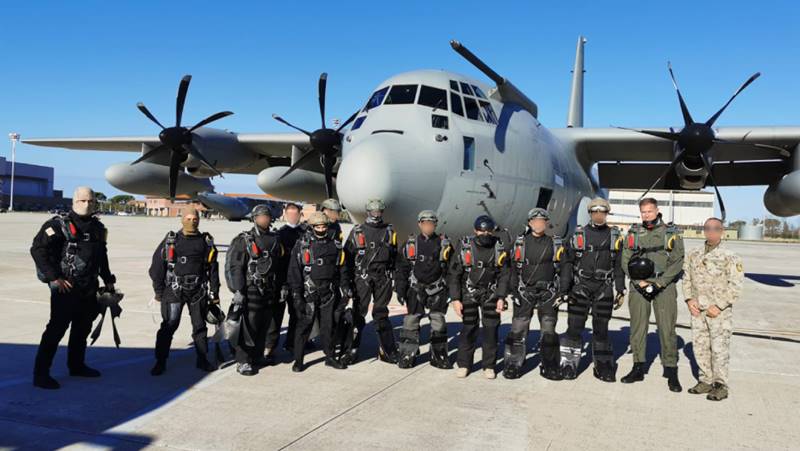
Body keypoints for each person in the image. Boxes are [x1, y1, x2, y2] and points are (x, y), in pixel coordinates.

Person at [30, 187, 116, 389]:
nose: (87, 205)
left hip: (89, 287)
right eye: (82, 201)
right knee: (56, 329)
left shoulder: (97, 228)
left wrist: (108, 279)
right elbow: (38, 249)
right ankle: (41, 374)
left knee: (82, 328)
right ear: (74, 202)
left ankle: (76, 365)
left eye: (90, 201)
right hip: (66, 288)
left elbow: (101, 256)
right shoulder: (57, 225)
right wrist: (55, 277)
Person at [620, 197, 685, 392]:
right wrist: (636, 282)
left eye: (650, 211)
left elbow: (678, 261)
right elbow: (625, 259)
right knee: (638, 327)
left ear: (657, 211)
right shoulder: (633, 233)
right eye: (643, 212)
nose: (647, 215)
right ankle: (638, 367)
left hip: (663, 286)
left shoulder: (670, 233)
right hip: (638, 285)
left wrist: (660, 283)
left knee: (667, 329)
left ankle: (671, 370)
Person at [558, 198, 625, 382]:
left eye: (602, 212)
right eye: (594, 212)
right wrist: (564, 289)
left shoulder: (615, 236)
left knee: (601, 329)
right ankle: (569, 363)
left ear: (606, 213)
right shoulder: (578, 235)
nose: (598, 215)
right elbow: (567, 263)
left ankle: (602, 365)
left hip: (604, 288)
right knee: (574, 326)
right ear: (590, 214)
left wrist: (620, 289)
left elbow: (619, 265)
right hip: (580, 287)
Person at [149, 207, 220, 376]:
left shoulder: (206, 242)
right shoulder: (171, 240)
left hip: (198, 292)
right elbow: (156, 268)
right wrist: (159, 292)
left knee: (200, 327)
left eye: (194, 219)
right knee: (169, 325)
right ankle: (160, 361)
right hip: (174, 291)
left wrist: (214, 292)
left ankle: (202, 359)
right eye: (188, 218)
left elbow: (213, 269)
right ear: (182, 219)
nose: (192, 221)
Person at [682, 217, 744, 401]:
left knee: (719, 349)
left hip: (719, 313)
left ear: (722, 231)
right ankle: (705, 380)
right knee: (700, 347)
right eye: (707, 228)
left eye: (715, 228)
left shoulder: (730, 256)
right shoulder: (694, 253)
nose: (711, 232)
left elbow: (736, 286)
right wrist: (688, 299)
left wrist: (719, 305)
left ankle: (720, 385)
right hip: (697, 310)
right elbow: (687, 278)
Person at [504, 208, 564, 380]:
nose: (538, 224)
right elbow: (511, 269)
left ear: (546, 223)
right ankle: (513, 364)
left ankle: (549, 365)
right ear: (529, 223)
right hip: (524, 292)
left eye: (541, 221)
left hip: (549, 293)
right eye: (535, 221)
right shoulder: (519, 244)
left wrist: (562, 291)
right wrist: (513, 290)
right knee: (518, 330)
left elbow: (565, 268)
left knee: (549, 330)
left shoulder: (555, 243)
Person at [225, 205, 285, 376]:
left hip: (269, 290)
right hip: (250, 289)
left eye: (267, 216)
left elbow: (279, 267)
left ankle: (257, 356)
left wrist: (282, 287)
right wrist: (238, 290)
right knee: (248, 326)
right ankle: (243, 360)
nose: (264, 219)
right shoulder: (244, 240)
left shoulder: (275, 240)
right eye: (261, 217)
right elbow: (235, 266)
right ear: (254, 219)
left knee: (263, 325)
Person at [287, 212, 350, 371]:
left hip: (328, 292)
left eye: (323, 226)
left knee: (328, 327)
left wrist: (345, 287)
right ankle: (299, 360)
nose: (321, 229)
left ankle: (329, 357)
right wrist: (296, 294)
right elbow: (294, 271)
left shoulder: (335, 245)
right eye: (318, 227)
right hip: (309, 293)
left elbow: (342, 268)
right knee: (304, 327)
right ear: (312, 227)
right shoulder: (302, 245)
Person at [449, 215, 510, 379]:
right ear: (475, 230)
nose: (485, 233)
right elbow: (454, 273)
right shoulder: (464, 246)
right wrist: (455, 299)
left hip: (491, 293)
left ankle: (488, 366)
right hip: (468, 292)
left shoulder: (499, 247)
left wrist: (501, 296)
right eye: (481, 230)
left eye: (488, 230)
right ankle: (463, 364)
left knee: (491, 330)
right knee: (469, 328)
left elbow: (505, 274)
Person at [342, 199, 399, 364]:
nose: (376, 214)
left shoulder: (389, 232)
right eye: (373, 212)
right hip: (363, 278)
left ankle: (387, 351)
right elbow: (347, 259)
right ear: (367, 212)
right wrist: (347, 283)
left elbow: (395, 257)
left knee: (381, 314)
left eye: (379, 211)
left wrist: (397, 279)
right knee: (358, 314)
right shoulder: (358, 231)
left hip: (383, 278)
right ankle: (351, 350)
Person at [394, 210, 453, 369]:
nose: (428, 226)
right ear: (419, 224)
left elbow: (452, 269)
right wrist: (400, 289)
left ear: (435, 225)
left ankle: (438, 355)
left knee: (438, 321)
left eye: (431, 224)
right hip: (415, 288)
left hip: (437, 289)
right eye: (424, 223)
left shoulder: (444, 244)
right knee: (411, 321)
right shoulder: (410, 244)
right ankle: (407, 354)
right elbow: (401, 268)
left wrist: (451, 291)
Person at [273, 202, 306, 355]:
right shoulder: (278, 235)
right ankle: (270, 347)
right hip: (281, 282)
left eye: (295, 213)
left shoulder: (305, 234)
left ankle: (292, 342)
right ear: (285, 214)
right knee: (276, 316)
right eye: (290, 213)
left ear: (300, 214)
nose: (293, 216)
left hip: (299, 282)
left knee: (297, 314)